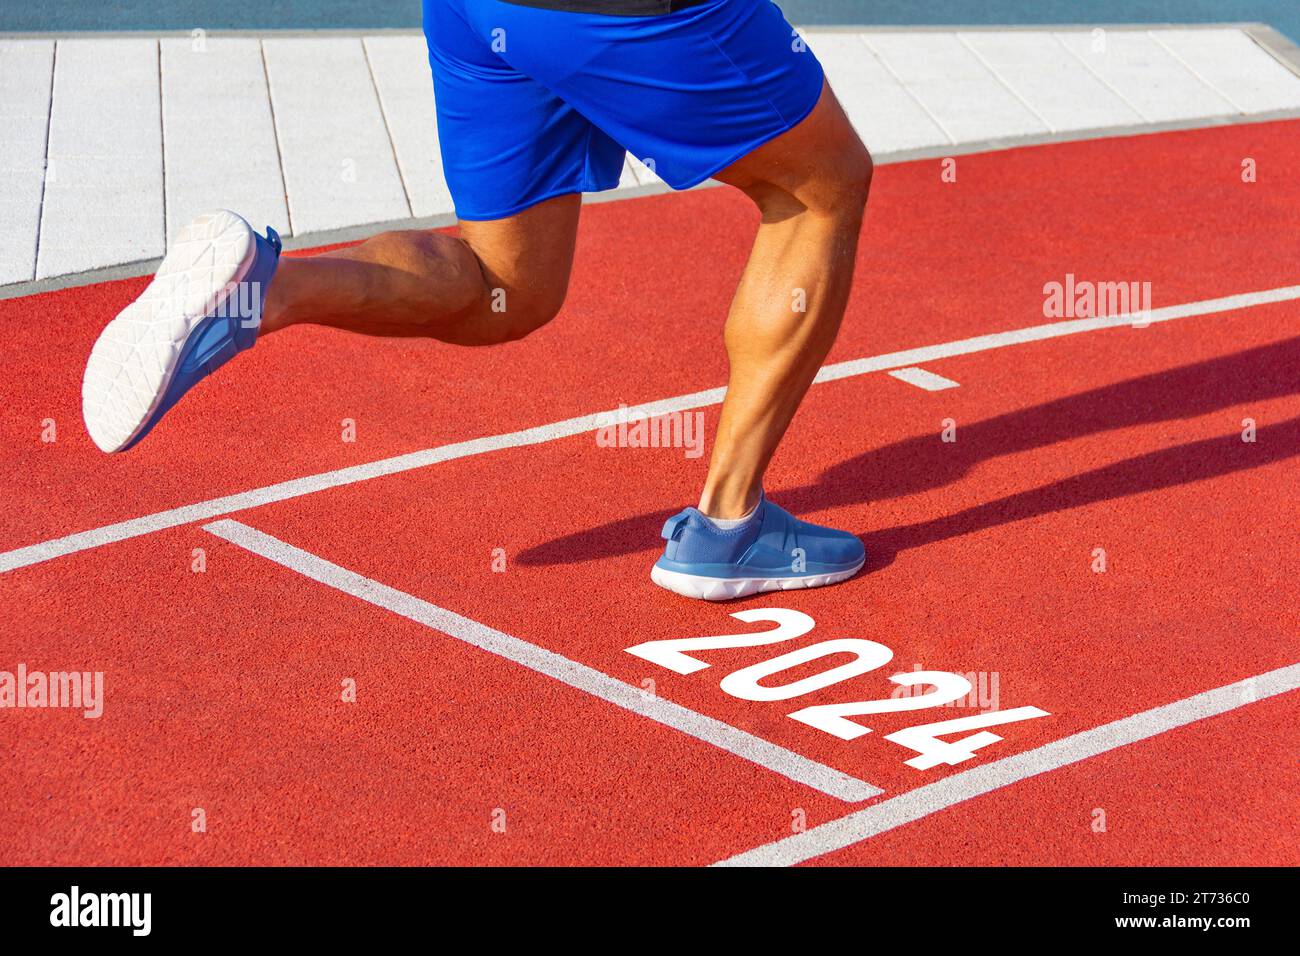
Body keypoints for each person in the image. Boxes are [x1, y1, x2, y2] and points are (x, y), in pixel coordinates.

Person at [81, 0, 873, 600]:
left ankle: (265, 287)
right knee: (822, 183)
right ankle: (728, 527)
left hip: (478, 12)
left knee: (505, 286)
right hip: (620, 13)